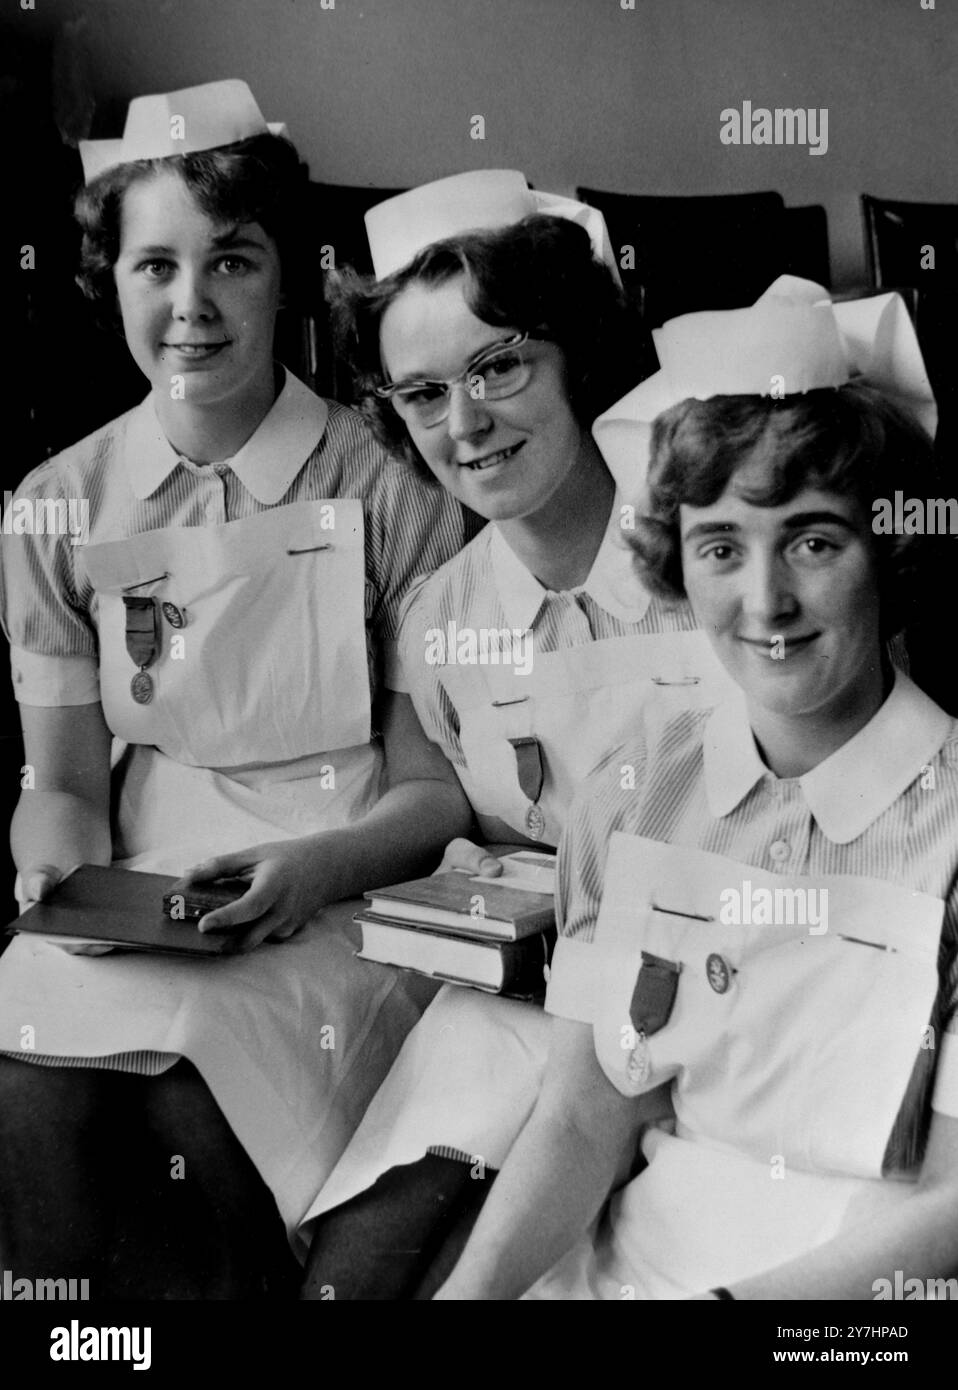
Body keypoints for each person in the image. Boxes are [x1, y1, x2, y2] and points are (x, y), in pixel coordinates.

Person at [0, 80, 473, 1298]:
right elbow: (60, 782)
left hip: (342, 890)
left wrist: (310, 871)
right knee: (28, 1052)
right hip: (142, 891)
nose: (191, 306)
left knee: (194, 1085)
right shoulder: (58, 501)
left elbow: (436, 791)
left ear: (287, 278)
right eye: (154, 265)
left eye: (233, 262)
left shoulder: (393, 489)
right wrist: (58, 874)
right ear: (108, 278)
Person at [430, 280, 958, 1300]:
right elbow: (586, 1115)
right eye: (720, 547)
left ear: (887, 549)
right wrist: (477, 1288)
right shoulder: (637, 787)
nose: (764, 602)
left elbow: (951, 1203)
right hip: (643, 1260)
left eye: (812, 540)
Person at [299, 171, 734, 1298]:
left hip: (701, 1014)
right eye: (422, 392)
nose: (465, 424)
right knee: (357, 1272)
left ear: (576, 353)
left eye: (497, 366)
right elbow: (433, 792)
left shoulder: (718, 572)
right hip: (508, 1010)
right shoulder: (440, 617)